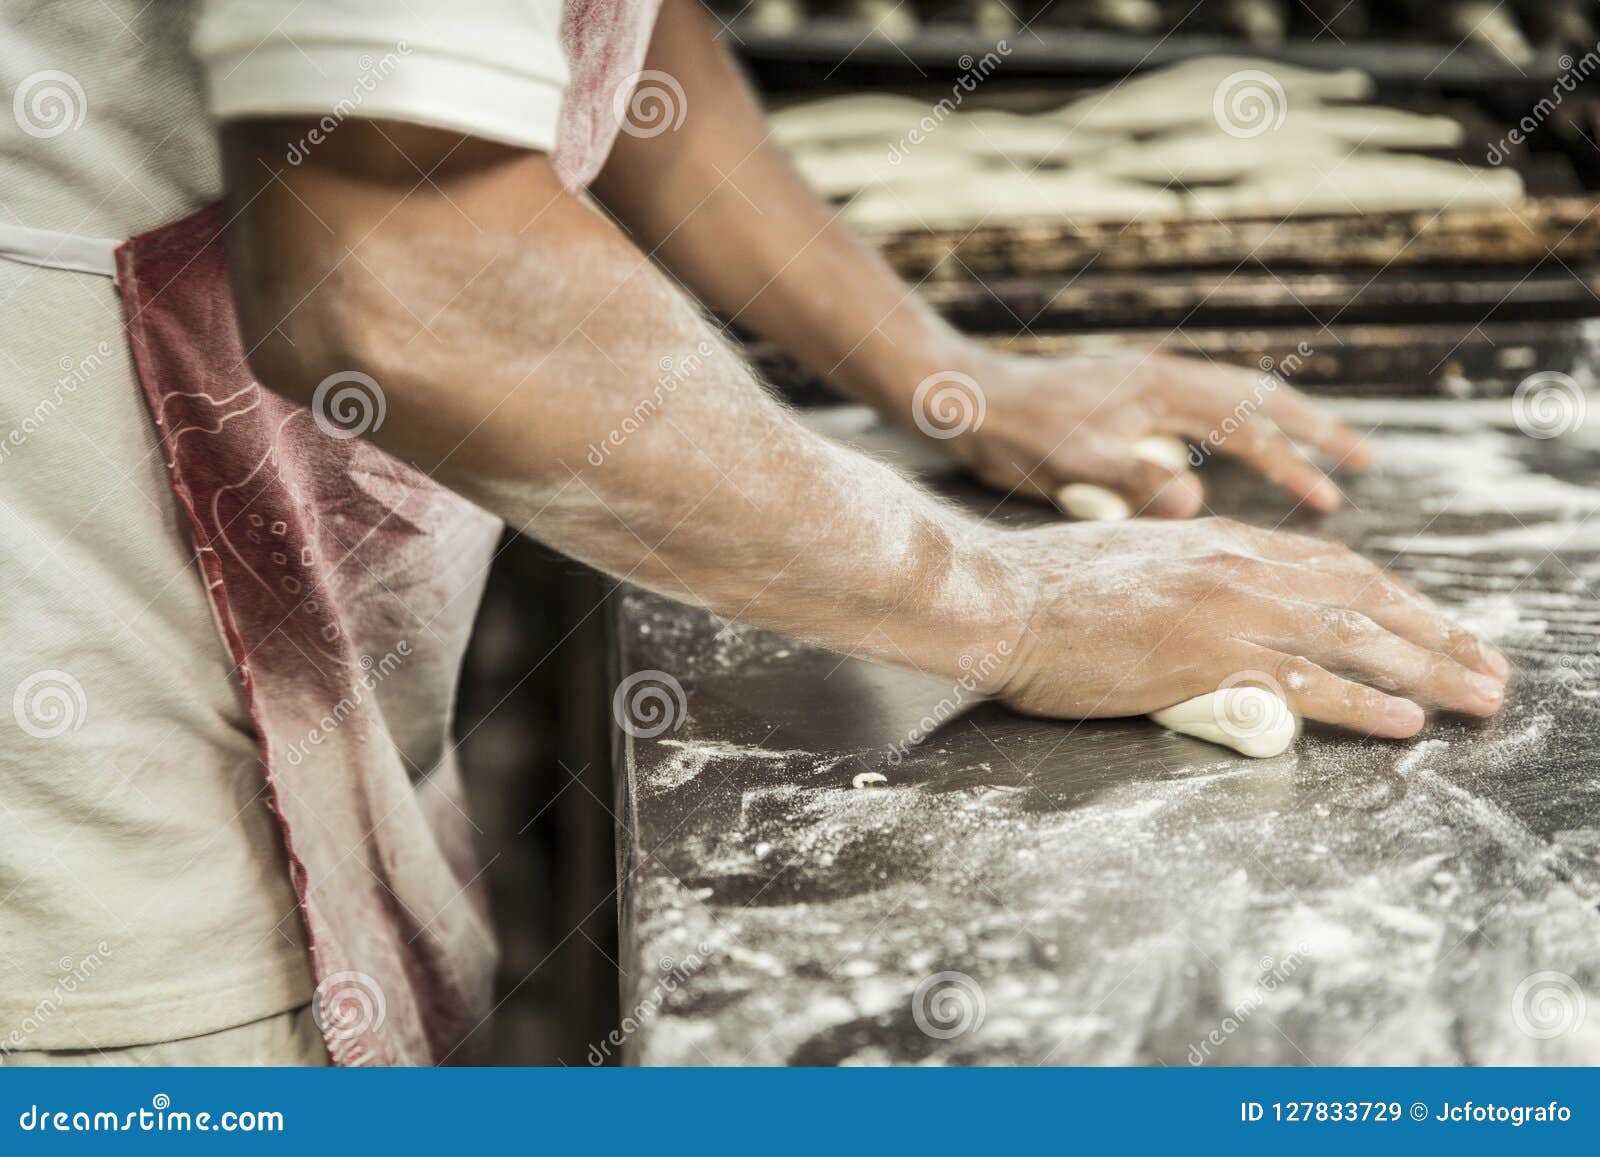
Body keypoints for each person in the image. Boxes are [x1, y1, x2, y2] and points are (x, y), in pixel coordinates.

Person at [0, 0, 1508, 1066]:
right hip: (85, 773)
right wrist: (1012, 600)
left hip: (279, 676)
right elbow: (400, 270)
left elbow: (624, 40)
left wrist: (947, 374)